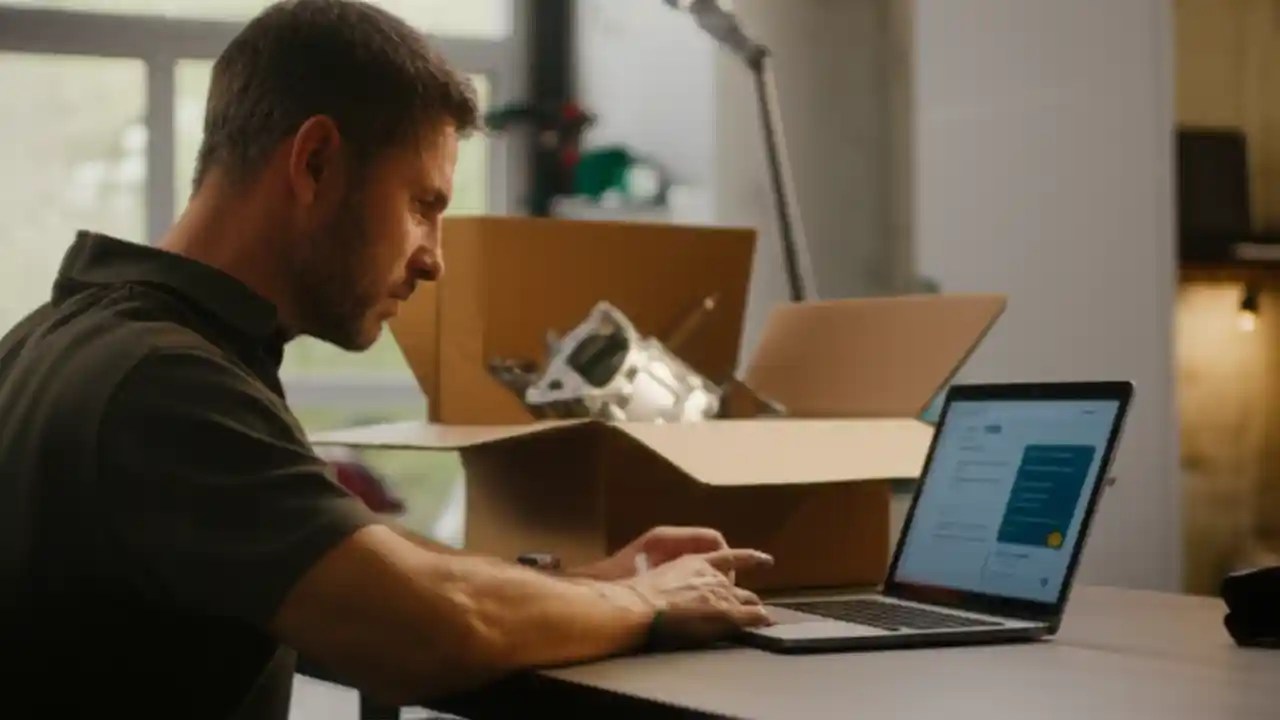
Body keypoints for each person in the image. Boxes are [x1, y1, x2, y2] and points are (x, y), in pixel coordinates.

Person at [0, 1, 773, 718]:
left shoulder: (59, 341)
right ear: (315, 163)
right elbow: (425, 625)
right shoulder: (166, 385)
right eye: (422, 205)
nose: (433, 258)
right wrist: (642, 604)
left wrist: (588, 586)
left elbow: (359, 556)